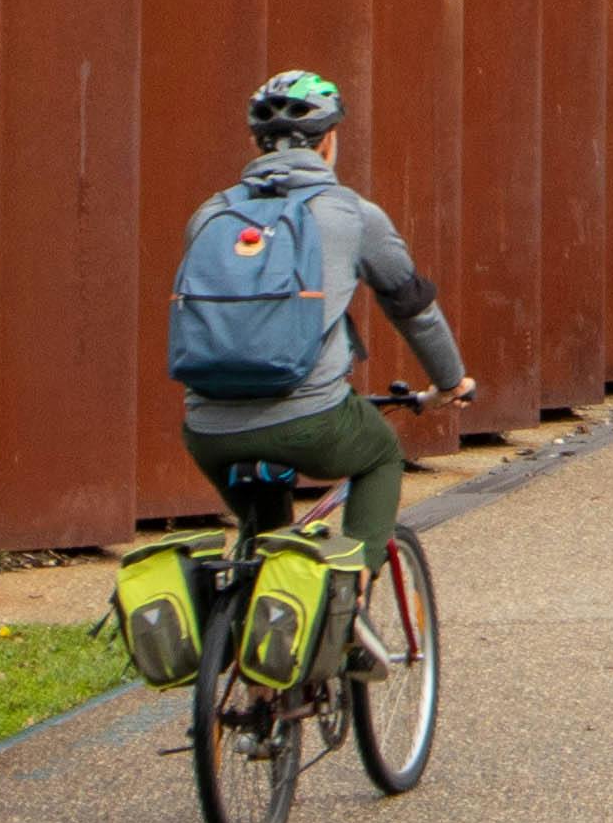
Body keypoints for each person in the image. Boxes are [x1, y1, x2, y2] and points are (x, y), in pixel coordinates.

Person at [175, 70, 474, 562]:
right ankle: (351, 586)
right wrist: (450, 381)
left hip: (208, 429)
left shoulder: (210, 214)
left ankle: (248, 617)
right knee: (380, 453)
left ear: (258, 143)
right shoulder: (351, 214)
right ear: (329, 141)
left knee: (267, 553)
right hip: (310, 418)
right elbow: (413, 309)